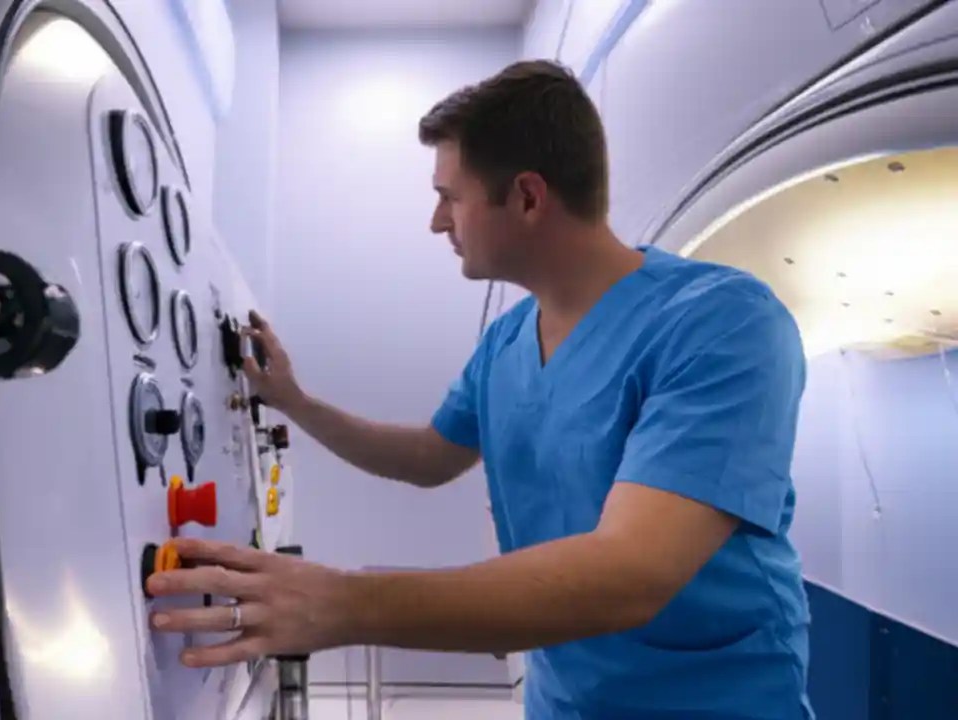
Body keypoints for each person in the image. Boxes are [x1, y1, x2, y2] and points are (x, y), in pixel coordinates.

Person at [147, 59, 813, 719]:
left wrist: (343, 603)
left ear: (527, 197)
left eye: (450, 196)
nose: (438, 222)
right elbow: (428, 457)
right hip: (567, 704)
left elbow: (630, 577)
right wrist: (295, 401)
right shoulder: (507, 342)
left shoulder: (719, 324)